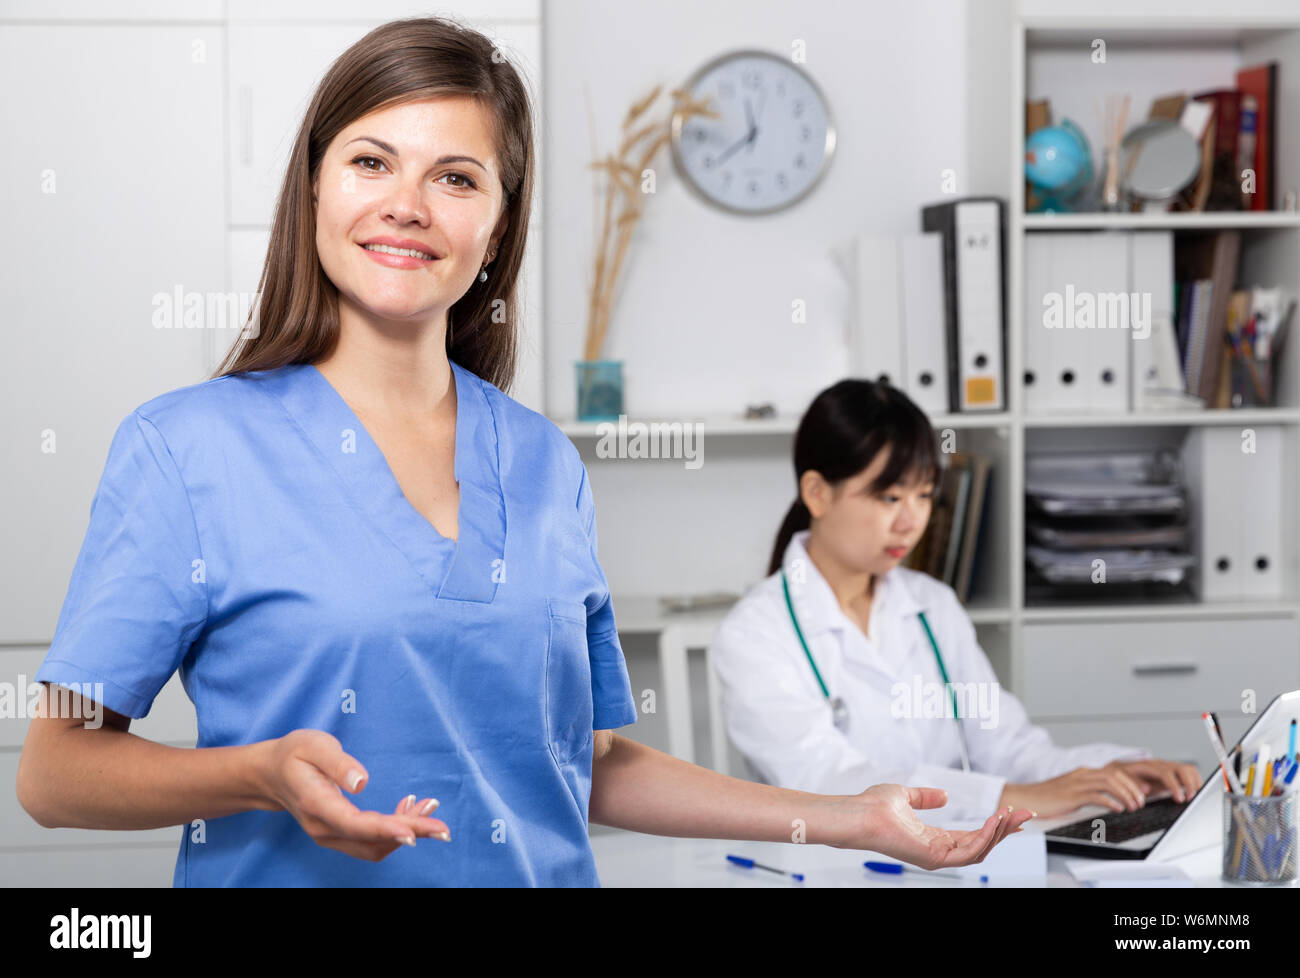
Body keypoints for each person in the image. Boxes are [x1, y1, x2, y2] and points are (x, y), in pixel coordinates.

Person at [15, 17, 1032, 887]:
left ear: (496, 230)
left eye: (455, 178)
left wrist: (848, 816)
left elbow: (580, 762)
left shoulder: (542, 463)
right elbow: (54, 769)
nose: (407, 203)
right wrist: (257, 772)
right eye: (370, 161)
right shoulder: (185, 448)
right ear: (316, 188)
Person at [711, 378, 1203, 821]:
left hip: (950, 863)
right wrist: (1007, 798)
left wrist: (1111, 772)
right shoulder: (755, 633)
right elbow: (826, 782)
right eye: (889, 498)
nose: (911, 521)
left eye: (924, 496)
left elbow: (1008, 747)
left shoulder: (933, 606)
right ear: (817, 493)